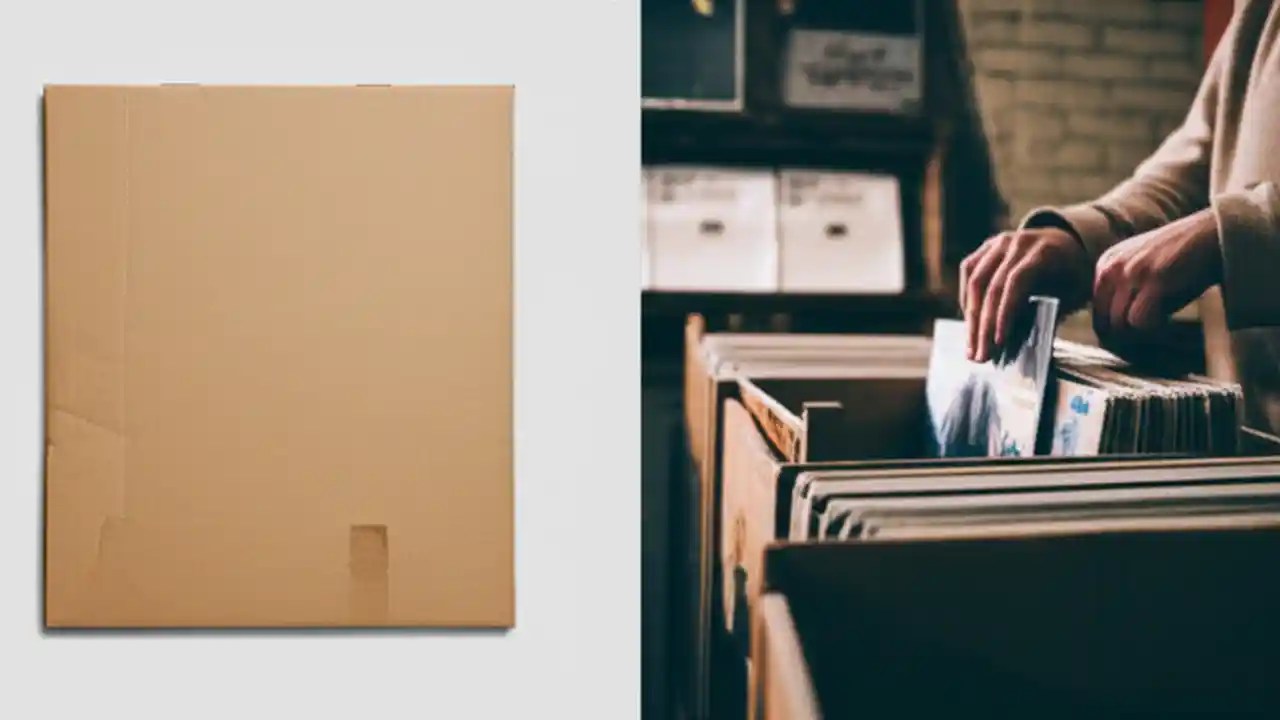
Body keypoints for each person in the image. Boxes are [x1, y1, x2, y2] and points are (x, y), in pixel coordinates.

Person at [961, 0, 1280, 436]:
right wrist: (1083, 237)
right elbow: (1201, 154)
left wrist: (1234, 232)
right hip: (1258, 438)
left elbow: (1225, 217)